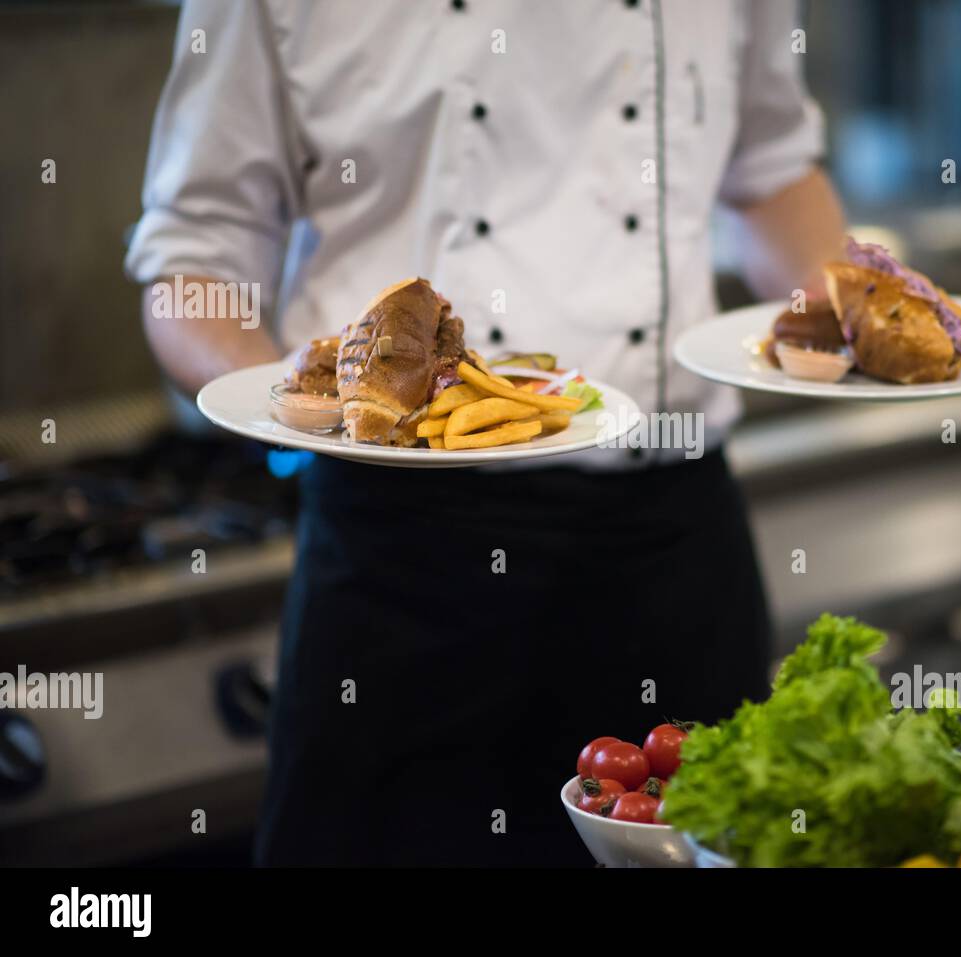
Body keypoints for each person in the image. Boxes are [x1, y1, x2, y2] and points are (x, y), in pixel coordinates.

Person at [127, 0, 845, 866]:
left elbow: (772, 170)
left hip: (672, 552)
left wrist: (868, 315)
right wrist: (286, 394)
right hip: (398, 560)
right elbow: (195, 251)